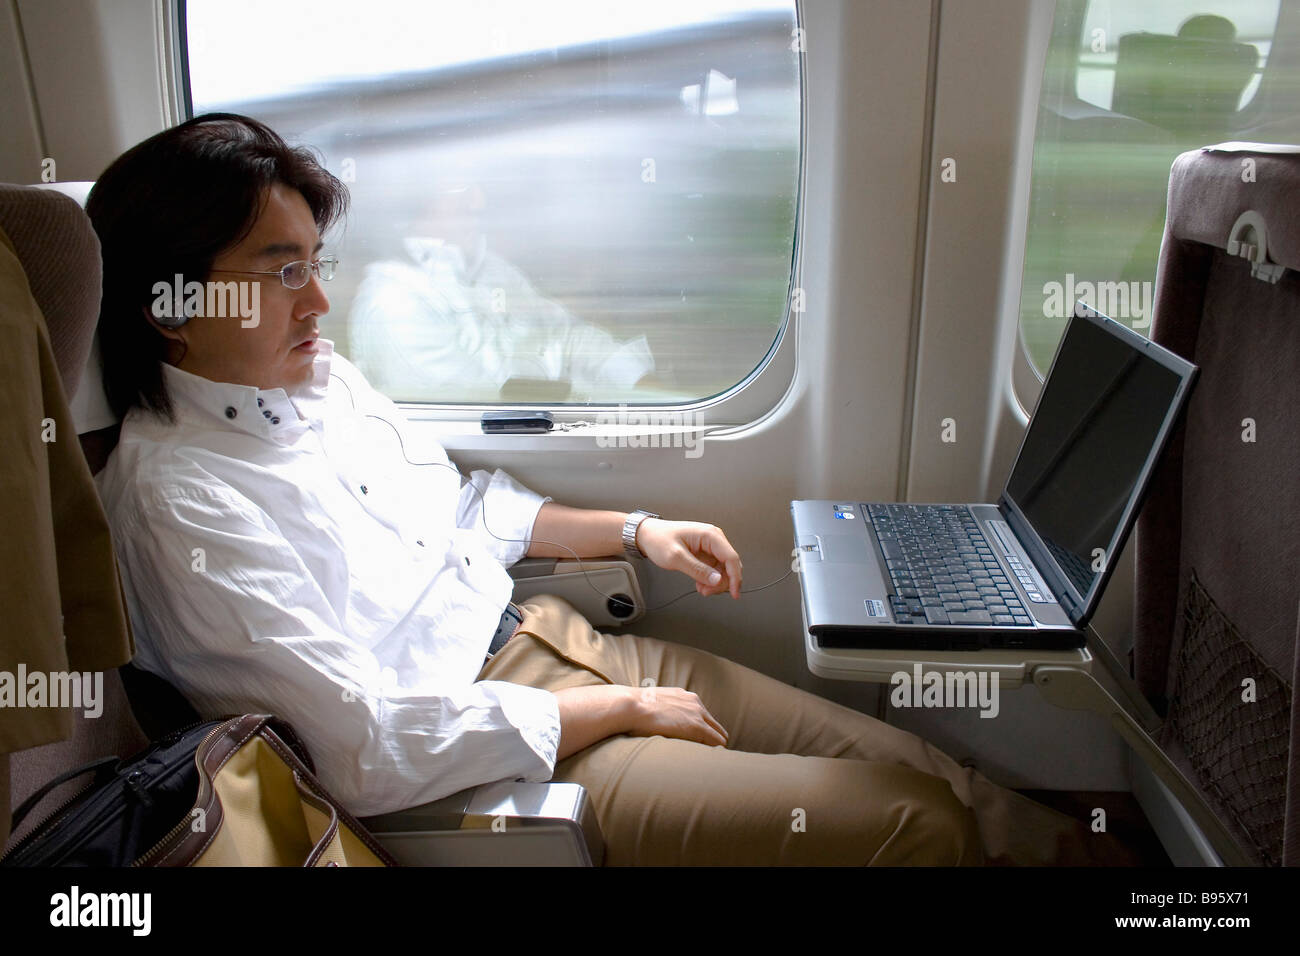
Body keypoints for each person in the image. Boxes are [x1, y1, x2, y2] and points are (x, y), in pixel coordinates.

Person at [90, 113, 1133, 865]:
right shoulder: (181, 500)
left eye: (316, 262)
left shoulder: (319, 381)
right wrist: (617, 707)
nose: (319, 298)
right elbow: (362, 749)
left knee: (926, 763)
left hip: (549, 638)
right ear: (172, 298)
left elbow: (471, 509)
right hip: (481, 755)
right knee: (914, 822)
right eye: (280, 272)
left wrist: (637, 523)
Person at [348, 180, 656, 403]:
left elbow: (565, 335)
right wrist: (592, 400)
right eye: (461, 190)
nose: (478, 201)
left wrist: (635, 377)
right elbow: (490, 406)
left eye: (477, 188)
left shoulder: (494, 271)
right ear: (417, 202)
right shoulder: (395, 302)